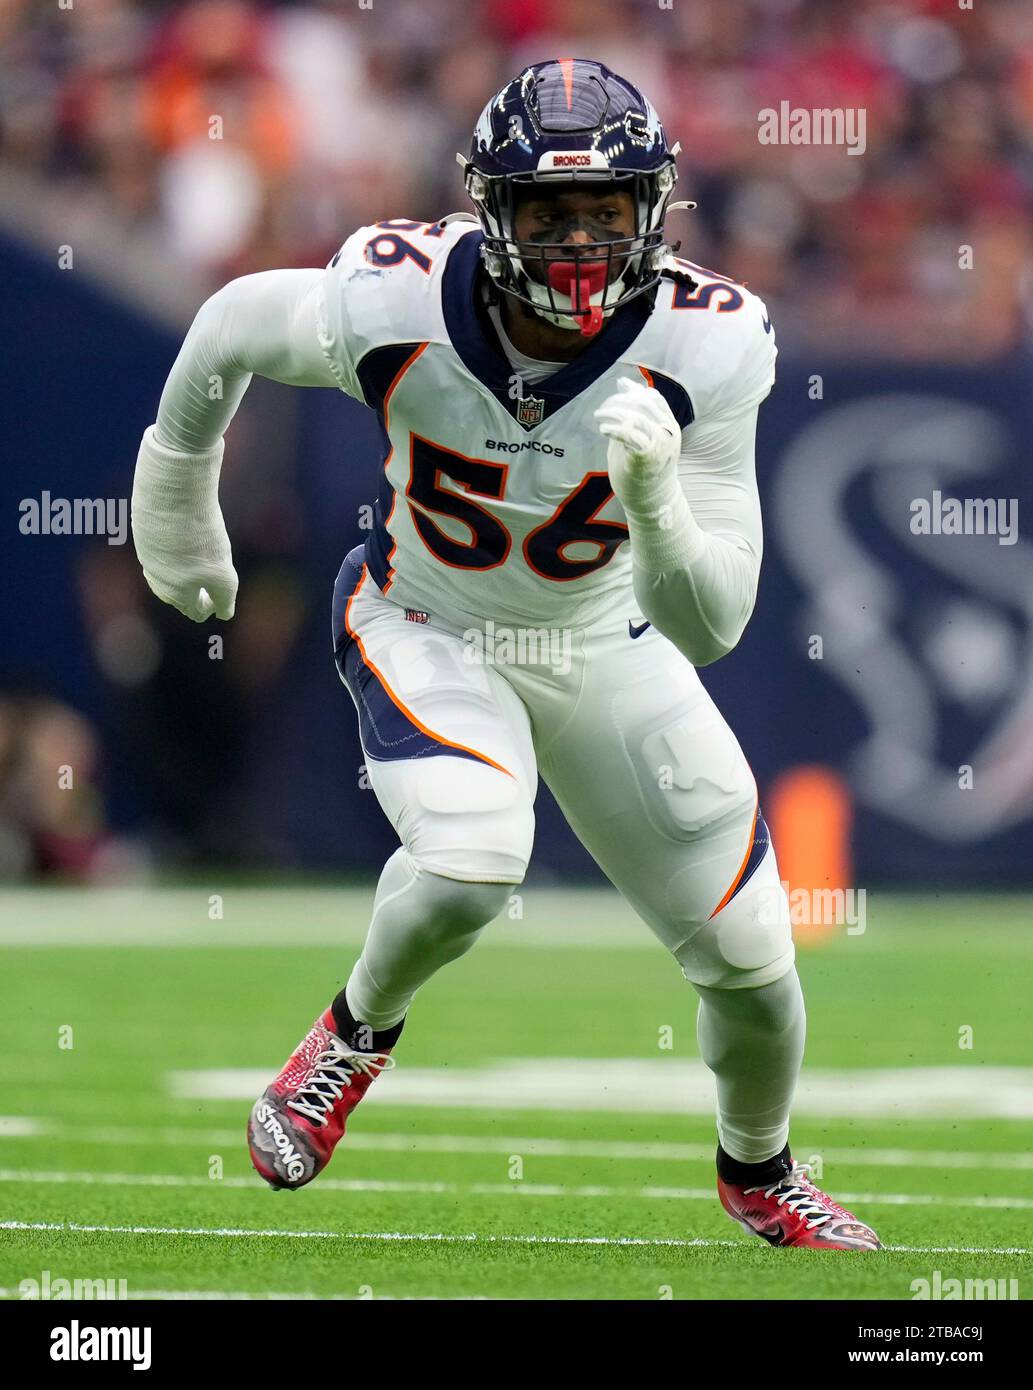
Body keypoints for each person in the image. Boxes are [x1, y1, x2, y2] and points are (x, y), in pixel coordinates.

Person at [131, 58, 880, 1251]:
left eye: (604, 208)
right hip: (428, 616)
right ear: (493, 209)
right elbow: (228, 327)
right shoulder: (397, 297)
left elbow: (711, 622)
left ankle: (760, 1170)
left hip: (604, 635)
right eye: (546, 209)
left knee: (752, 957)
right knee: (477, 855)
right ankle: (349, 1040)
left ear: (653, 209)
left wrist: (657, 502)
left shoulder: (709, 340)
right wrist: (174, 493)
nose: (579, 237)